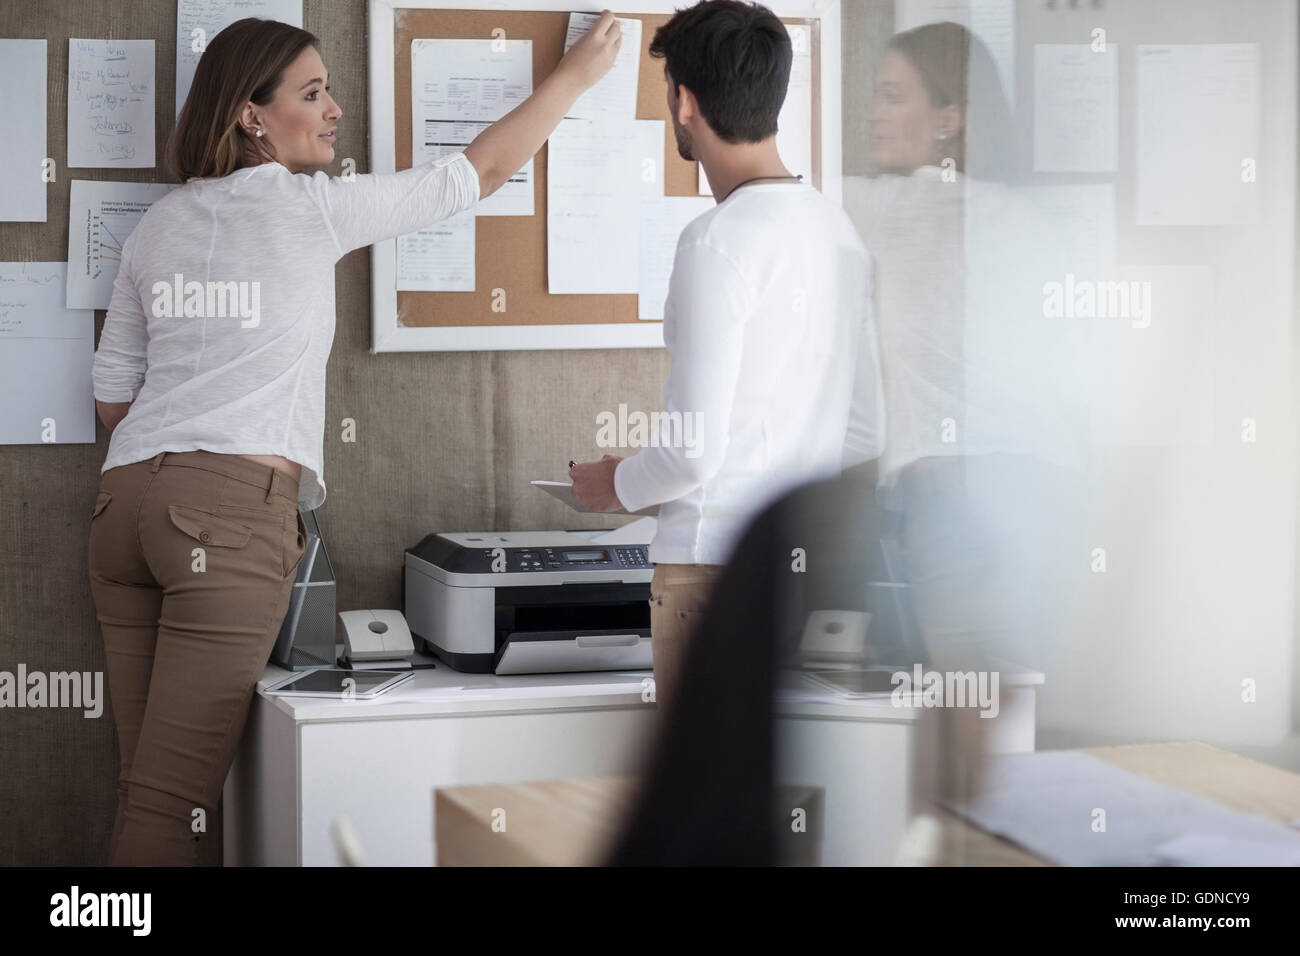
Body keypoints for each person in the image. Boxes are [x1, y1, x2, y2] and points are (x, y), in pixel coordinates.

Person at [88, 13, 621, 865]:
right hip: (225, 518)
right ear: (249, 116)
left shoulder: (156, 227)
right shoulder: (312, 209)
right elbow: (478, 172)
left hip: (123, 510)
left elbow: (112, 400)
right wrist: (578, 75)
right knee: (171, 804)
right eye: (312, 93)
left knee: (142, 790)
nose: (336, 109)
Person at [569, 0, 884, 715]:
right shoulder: (838, 232)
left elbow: (689, 456)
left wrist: (613, 483)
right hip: (798, 567)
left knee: (712, 812)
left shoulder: (716, 241)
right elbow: (866, 432)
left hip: (710, 573)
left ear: (683, 102)